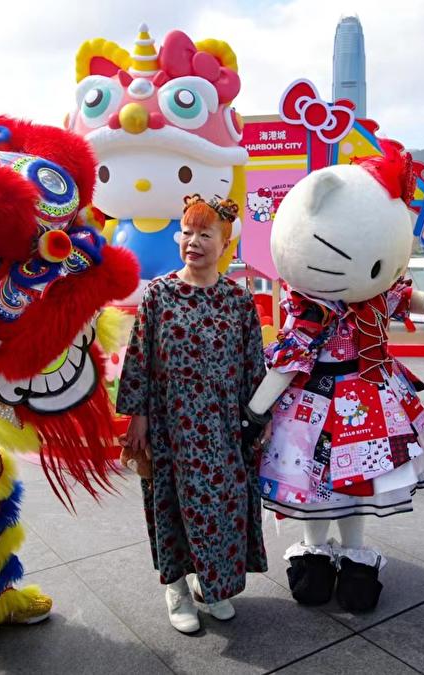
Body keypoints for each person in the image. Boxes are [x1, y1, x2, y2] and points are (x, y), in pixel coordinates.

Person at [117, 194, 268, 633]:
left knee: (222, 505)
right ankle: (178, 588)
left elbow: (252, 365)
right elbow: (140, 357)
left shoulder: (239, 301)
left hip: (223, 428)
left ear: (225, 245)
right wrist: (138, 418)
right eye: (186, 232)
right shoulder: (160, 293)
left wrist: (260, 417)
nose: (192, 241)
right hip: (171, 426)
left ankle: (213, 582)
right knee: (172, 506)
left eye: (205, 234)